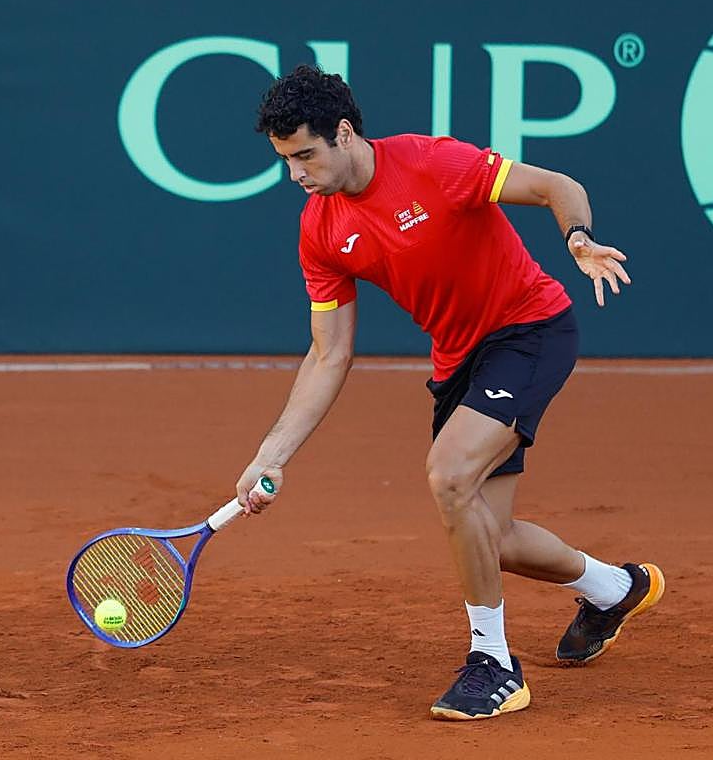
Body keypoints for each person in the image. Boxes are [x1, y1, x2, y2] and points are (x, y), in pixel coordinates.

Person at [236, 64, 664, 720]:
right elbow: (330, 353)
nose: (296, 173)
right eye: (285, 161)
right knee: (491, 536)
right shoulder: (319, 229)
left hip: (530, 330)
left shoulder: (435, 163)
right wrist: (271, 453)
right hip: (460, 359)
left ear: (344, 134)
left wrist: (577, 240)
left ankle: (492, 663)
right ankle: (615, 588)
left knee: (447, 477)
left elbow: (557, 186)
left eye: (304, 155)